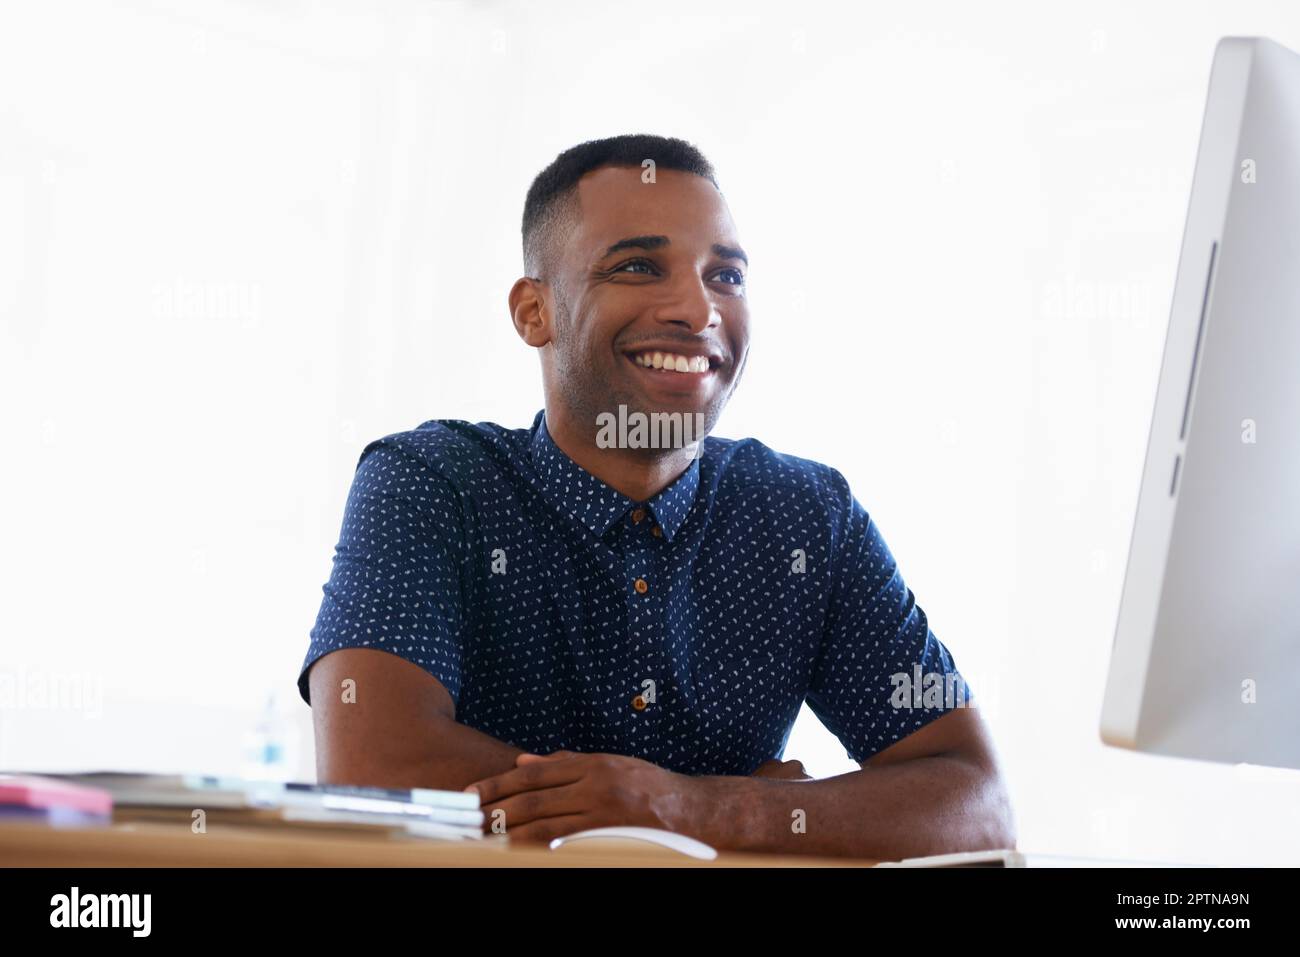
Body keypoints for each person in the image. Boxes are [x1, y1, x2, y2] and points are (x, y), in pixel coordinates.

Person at [298, 133, 1015, 860]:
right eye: (639, 266)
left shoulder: (808, 516)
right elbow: (374, 772)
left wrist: (700, 806)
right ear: (533, 311)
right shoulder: (431, 482)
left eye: (726, 277)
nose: (697, 308)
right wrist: (765, 806)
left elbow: (976, 799)